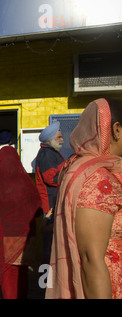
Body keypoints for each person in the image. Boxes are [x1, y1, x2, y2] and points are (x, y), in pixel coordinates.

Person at [46, 98, 122, 299]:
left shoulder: (81, 166)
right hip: (108, 288)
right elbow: (91, 259)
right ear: (116, 130)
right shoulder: (98, 179)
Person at [0, 146, 42, 299]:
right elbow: (37, 208)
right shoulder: (25, 181)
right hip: (25, 237)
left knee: (8, 274)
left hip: (3, 236)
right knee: (22, 272)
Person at [34, 121, 66, 263]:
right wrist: (69, 176)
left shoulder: (50, 152)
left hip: (53, 202)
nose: (62, 139)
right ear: (51, 139)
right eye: (59, 137)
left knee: (51, 243)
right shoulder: (47, 154)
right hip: (50, 205)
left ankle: (48, 279)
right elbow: (50, 178)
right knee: (49, 244)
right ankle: (46, 280)